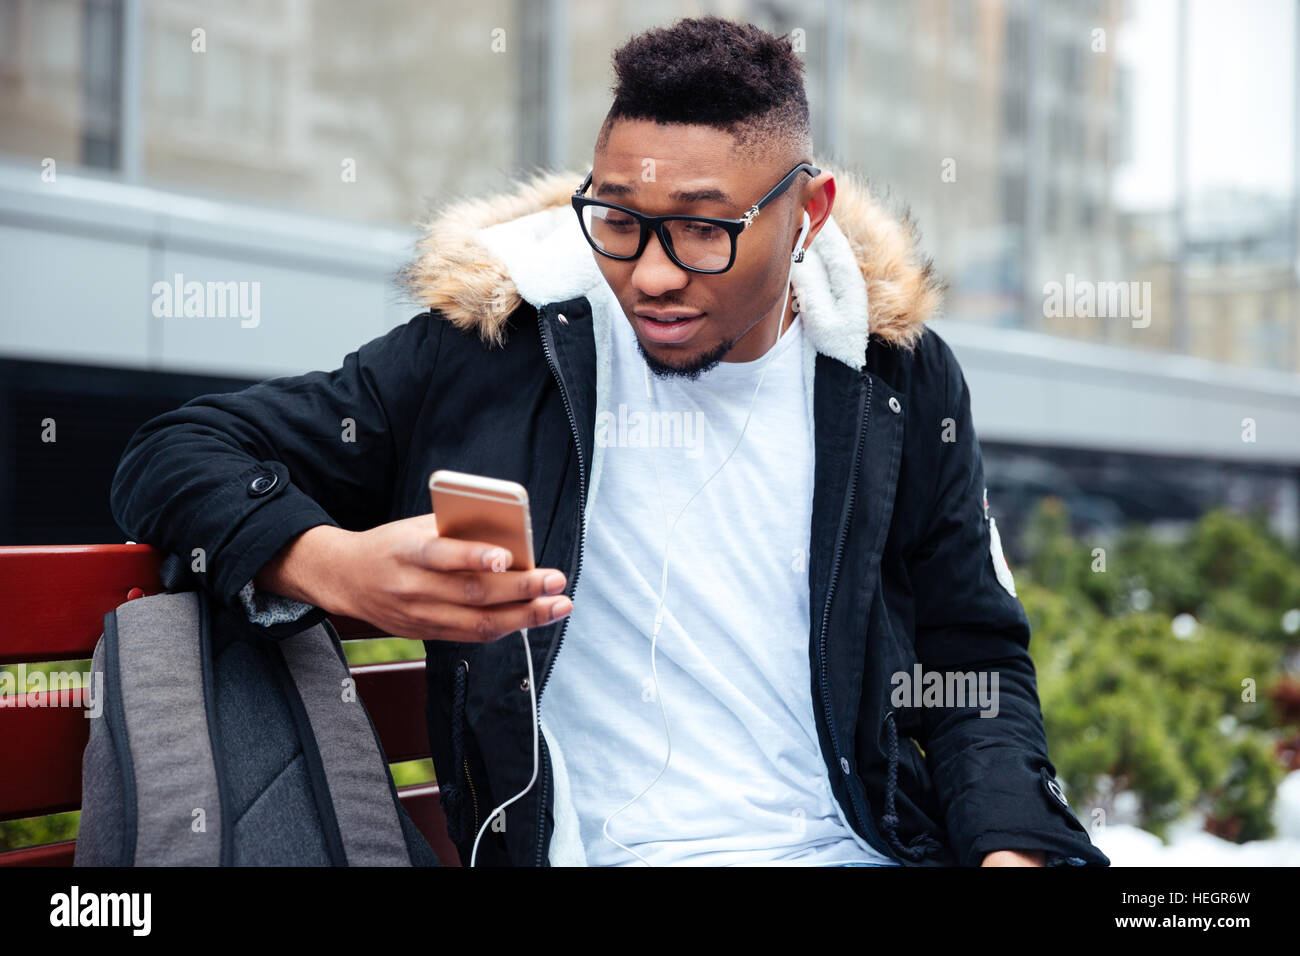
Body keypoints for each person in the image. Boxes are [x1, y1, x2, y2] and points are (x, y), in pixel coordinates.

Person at [111, 15, 1108, 868]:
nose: (653, 274)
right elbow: (175, 450)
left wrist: (1011, 847)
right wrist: (331, 563)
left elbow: (969, 651)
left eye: (703, 228)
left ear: (808, 215)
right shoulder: (497, 345)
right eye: (619, 220)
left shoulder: (892, 379)